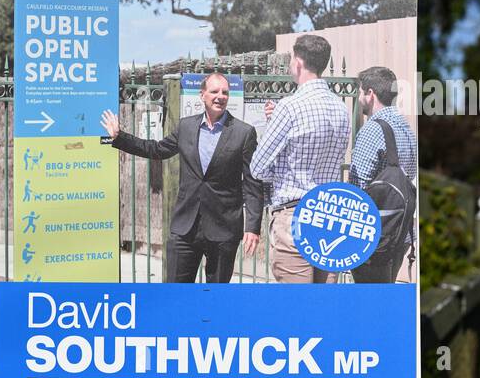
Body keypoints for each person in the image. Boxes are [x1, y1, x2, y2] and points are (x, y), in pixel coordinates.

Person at [100, 73, 261, 283]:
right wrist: (120, 137)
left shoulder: (244, 133)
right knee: (175, 294)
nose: (220, 96)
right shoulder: (186, 126)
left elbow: (252, 182)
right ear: (202, 95)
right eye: (214, 91)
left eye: (225, 92)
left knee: (216, 298)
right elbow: (157, 149)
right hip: (185, 228)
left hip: (223, 229)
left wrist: (252, 227)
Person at [249, 34, 351, 283]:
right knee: (324, 305)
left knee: (295, 311)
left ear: (298, 62)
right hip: (328, 213)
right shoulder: (341, 108)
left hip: (294, 214)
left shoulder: (289, 106)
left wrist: (282, 169)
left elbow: (258, 167)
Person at [349, 66, 417, 283]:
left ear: (370, 94)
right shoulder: (406, 128)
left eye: (360, 92)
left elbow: (358, 185)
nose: (359, 98)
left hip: (373, 237)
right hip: (400, 233)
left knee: (367, 303)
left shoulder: (372, 129)